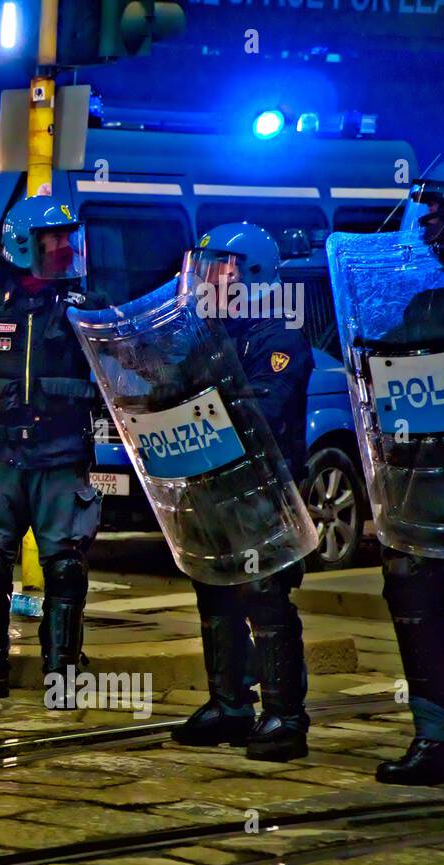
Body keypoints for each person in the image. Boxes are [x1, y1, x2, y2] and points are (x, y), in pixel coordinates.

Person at [0, 198, 109, 704]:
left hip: (59, 455)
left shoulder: (84, 308)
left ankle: (62, 677)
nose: (63, 248)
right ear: (22, 244)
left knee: (65, 568)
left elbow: (120, 376)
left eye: (65, 237)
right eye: (53, 238)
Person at [165, 223, 314, 762]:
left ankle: (285, 715)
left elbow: (262, 415)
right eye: (204, 267)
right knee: (215, 591)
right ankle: (228, 704)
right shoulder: (202, 338)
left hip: (260, 494)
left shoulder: (278, 338)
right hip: (209, 490)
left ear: (248, 272)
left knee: (266, 599)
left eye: (220, 266)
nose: (208, 278)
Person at [368, 181, 444, 784]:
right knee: (410, 593)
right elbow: (381, 379)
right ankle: (437, 734)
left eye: (438, 216)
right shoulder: (425, 306)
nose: (426, 229)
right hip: (430, 484)